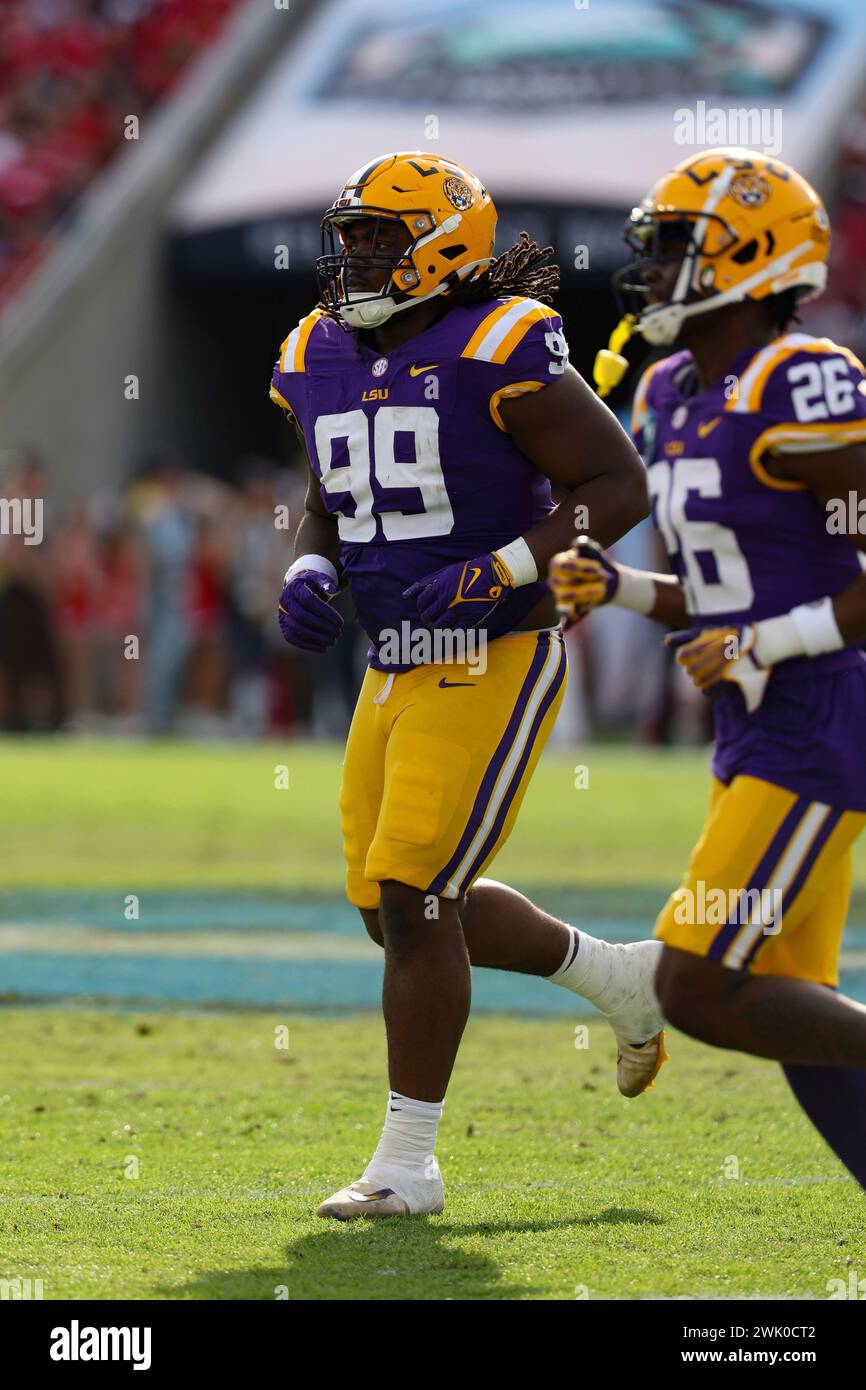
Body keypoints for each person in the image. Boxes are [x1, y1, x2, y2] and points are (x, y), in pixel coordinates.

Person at [272, 152, 664, 1220]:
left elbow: (615, 481)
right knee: (389, 908)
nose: (353, 255)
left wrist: (506, 567)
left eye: (377, 237)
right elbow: (328, 492)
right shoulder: (319, 349)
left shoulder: (499, 345)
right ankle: (613, 974)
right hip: (392, 660)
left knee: (413, 895)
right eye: (347, 234)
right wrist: (309, 564)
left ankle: (406, 1166)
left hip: (493, 651)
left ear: (443, 245)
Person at [550, 147, 866, 1188]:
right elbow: (720, 599)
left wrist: (768, 644)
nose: (651, 272)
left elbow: (758, 622)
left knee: (693, 986)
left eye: (677, 249)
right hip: (760, 722)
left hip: (819, 713)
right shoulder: (669, 391)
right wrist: (622, 588)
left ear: (751, 261)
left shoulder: (797, 377)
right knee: (783, 999)